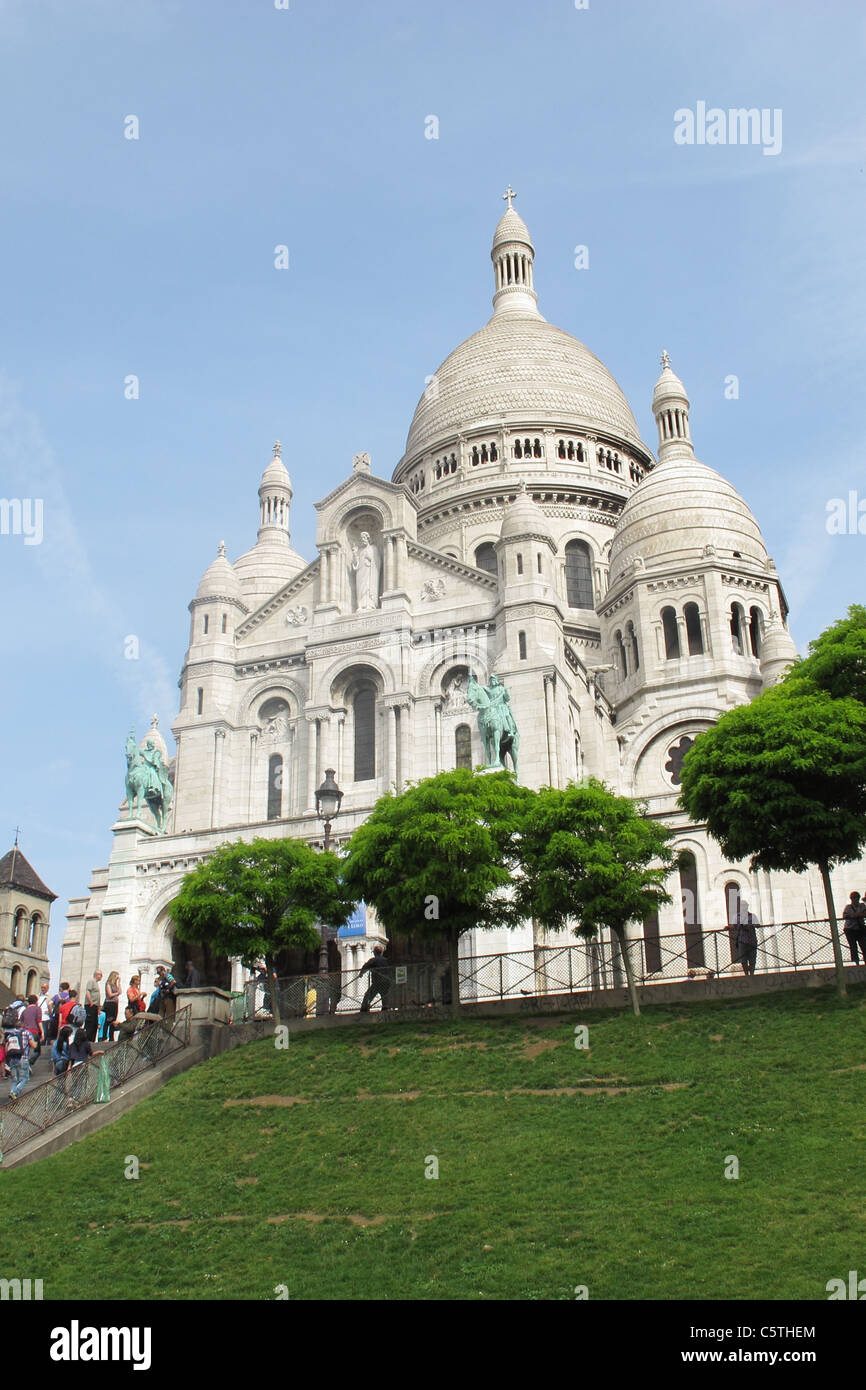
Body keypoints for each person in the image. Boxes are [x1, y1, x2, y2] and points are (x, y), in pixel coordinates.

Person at [4, 1020, 33, 1100]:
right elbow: (33, 1045)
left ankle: (12, 1099)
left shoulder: (10, 1035)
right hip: (23, 1058)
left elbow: (6, 1049)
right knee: (25, 1078)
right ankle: (14, 1093)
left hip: (12, 1059)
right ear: (23, 1025)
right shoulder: (27, 1033)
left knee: (14, 1079)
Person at [359, 945, 392, 1013]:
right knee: (385, 996)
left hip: (377, 982)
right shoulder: (386, 961)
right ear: (381, 953)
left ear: (374, 953)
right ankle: (385, 1008)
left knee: (368, 995)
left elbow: (365, 966)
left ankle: (364, 1008)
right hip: (386, 981)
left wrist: (361, 973)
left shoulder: (373, 960)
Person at [841, 891, 866, 965]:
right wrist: (856, 915)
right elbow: (845, 916)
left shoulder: (862, 906)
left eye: (856, 898)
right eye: (854, 898)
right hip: (850, 930)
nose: (855, 900)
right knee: (853, 946)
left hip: (860, 929)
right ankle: (856, 962)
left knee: (864, 945)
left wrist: (856, 915)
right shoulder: (848, 907)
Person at [19, 994, 43, 1065]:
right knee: (37, 1051)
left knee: (26, 1050)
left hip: (25, 1032)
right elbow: (39, 1021)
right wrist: (42, 1032)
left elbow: (21, 1022)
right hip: (34, 1032)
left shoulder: (24, 1010)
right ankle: (29, 1063)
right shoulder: (37, 1009)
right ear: (36, 1001)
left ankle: (24, 1063)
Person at [735, 911, 759, 976]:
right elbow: (734, 926)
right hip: (742, 941)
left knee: (752, 959)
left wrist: (750, 925)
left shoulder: (752, 916)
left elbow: (758, 925)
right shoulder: (737, 917)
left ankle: (751, 974)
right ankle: (746, 974)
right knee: (743, 959)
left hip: (751, 940)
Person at [101, 971, 122, 1040]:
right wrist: (117, 993)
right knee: (108, 1020)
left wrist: (119, 983)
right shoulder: (108, 984)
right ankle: (104, 1037)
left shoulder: (115, 985)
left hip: (115, 1003)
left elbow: (120, 991)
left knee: (113, 1020)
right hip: (109, 1003)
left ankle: (111, 1036)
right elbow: (109, 994)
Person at [84, 970, 103, 1042]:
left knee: (94, 1023)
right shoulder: (91, 981)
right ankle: (88, 1039)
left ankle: (92, 1039)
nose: (101, 977)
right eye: (100, 975)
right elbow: (88, 991)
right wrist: (91, 1002)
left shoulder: (96, 983)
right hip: (90, 1005)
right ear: (96, 975)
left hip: (95, 1006)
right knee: (90, 1023)